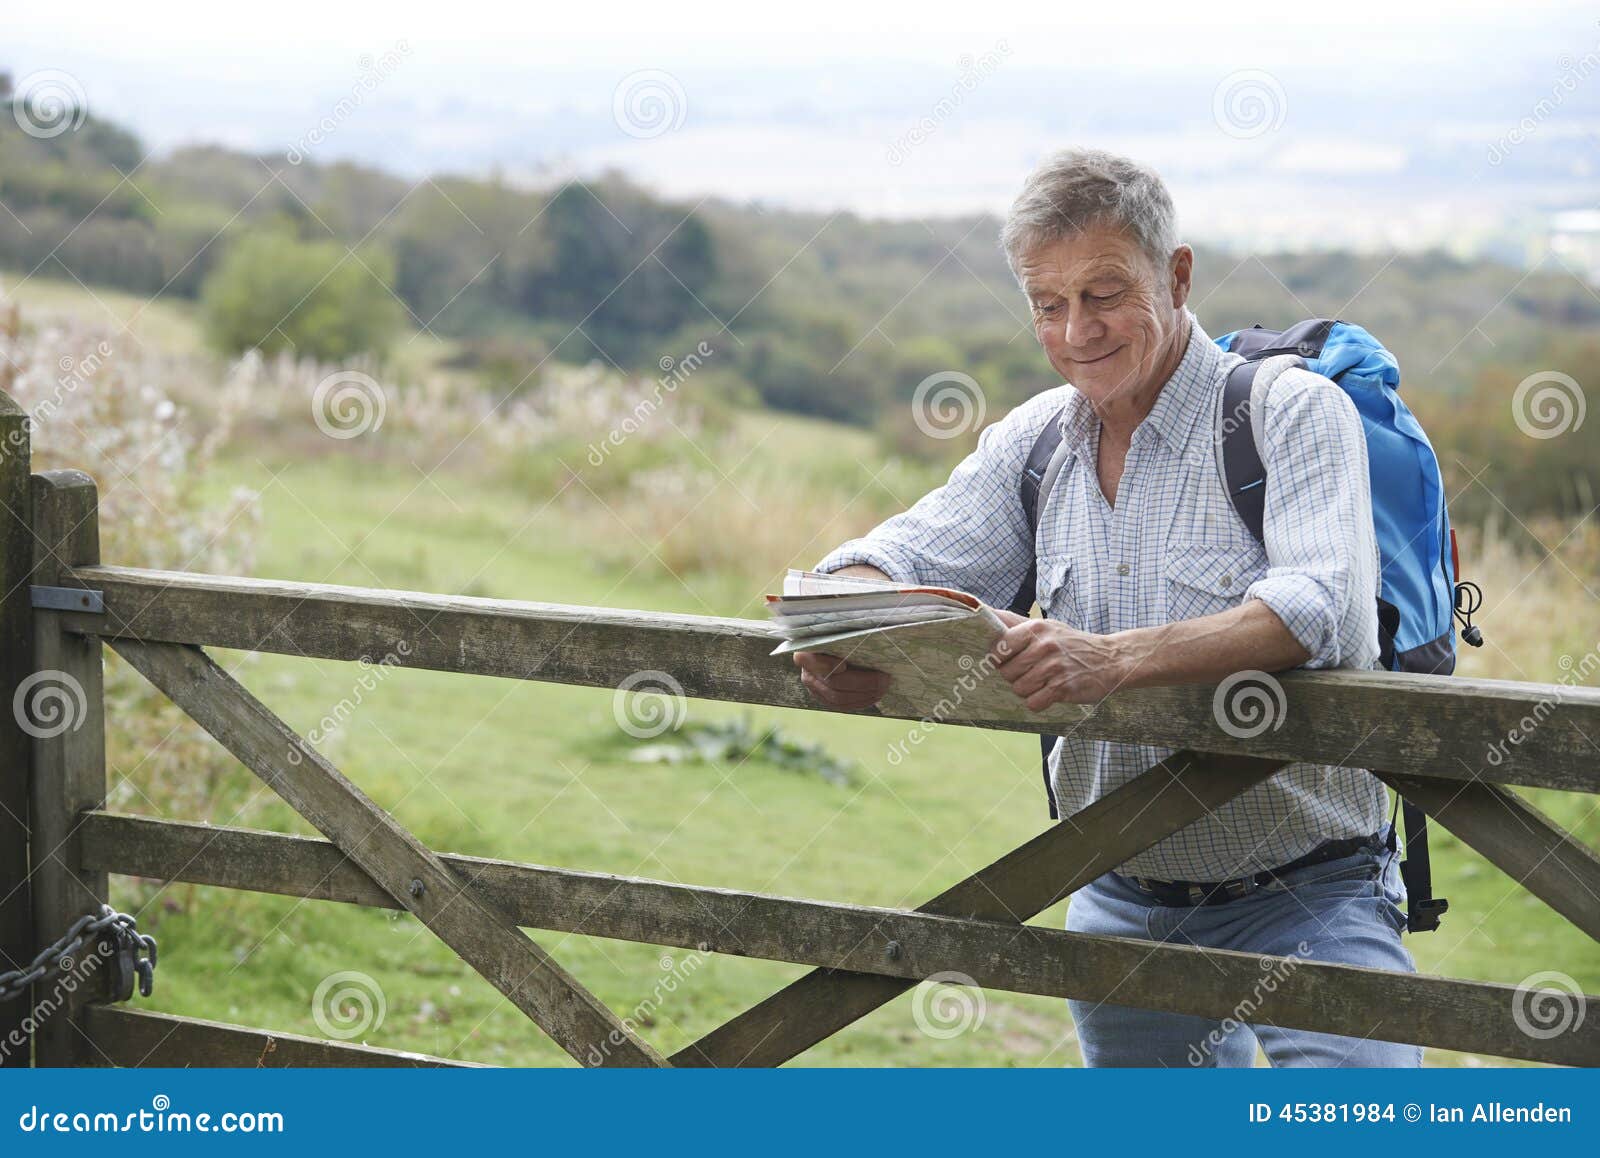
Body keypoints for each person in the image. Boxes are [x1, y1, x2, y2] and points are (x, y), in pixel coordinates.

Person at [794, 147, 1421, 1068]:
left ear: (1176, 275)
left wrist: (1117, 658)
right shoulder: (1036, 439)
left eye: (1103, 294)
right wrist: (841, 621)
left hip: (1313, 894)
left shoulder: (1291, 415)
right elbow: (904, 552)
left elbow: (1321, 605)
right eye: (1048, 305)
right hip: (1118, 895)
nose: (1075, 330)